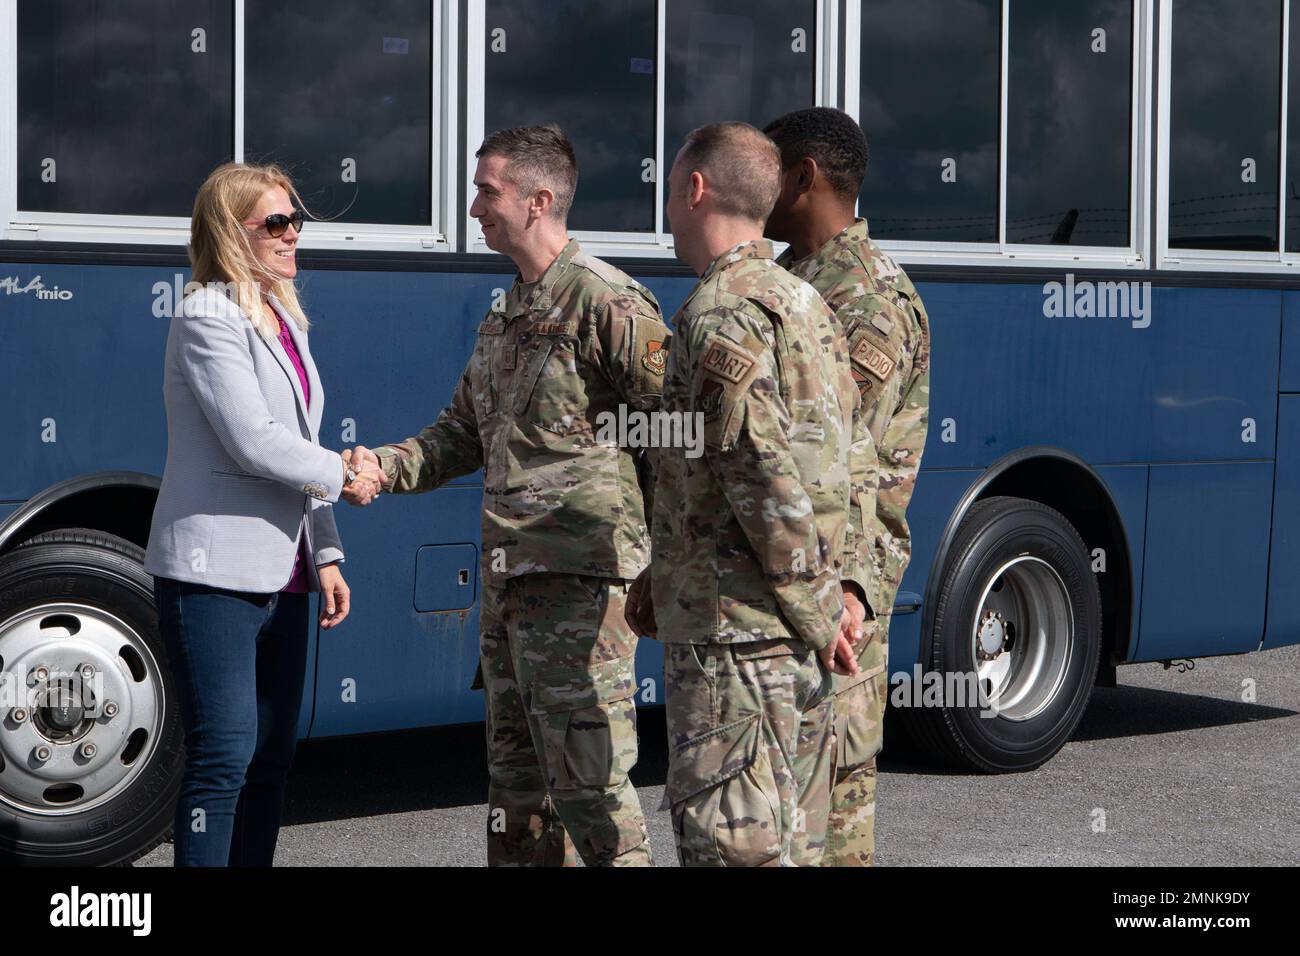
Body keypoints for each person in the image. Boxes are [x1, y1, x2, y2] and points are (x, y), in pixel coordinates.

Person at [346, 125, 666, 867]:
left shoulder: (609, 304)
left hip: (582, 589)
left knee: (592, 793)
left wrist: (663, 562)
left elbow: (680, 434)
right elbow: (458, 434)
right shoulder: (507, 315)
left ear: (539, 199)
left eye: (487, 190)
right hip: (510, 593)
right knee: (516, 804)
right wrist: (380, 468)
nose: (473, 207)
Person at [624, 122, 860, 867]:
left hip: (739, 641)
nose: (665, 209)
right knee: (787, 844)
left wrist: (819, 614)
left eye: (668, 189)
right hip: (782, 633)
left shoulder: (719, 313)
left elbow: (761, 478)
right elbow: (840, 465)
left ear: (695, 189)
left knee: (734, 848)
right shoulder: (805, 300)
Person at [145, 163, 381, 866]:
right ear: (231, 232)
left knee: (272, 759)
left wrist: (328, 553)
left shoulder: (283, 318)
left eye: (295, 219)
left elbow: (298, 442)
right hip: (213, 572)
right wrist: (346, 472)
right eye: (275, 222)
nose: (292, 233)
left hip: (287, 573)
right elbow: (253, 442)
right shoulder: (206, 314)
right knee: (224, 758)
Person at [764, 106, 932, 866]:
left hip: (841, 591)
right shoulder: (795, 275)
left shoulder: (863, 297)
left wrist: (852, 592)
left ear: (803, 178)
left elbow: (841, 461)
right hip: (800, 582)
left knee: (834, 818)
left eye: (769, 170)